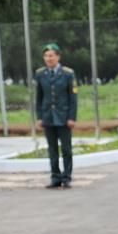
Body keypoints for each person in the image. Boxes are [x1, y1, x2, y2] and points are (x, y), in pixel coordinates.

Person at [34, 42, 78, 189]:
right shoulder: (40, 74)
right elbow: (39, 97)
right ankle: (55, 177)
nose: (48, 59)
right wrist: (39, 117)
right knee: (52, 149)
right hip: (48, 117)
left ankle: (66, 177)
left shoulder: (67, 74)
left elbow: (73, 98)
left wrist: (72, 117)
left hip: (64, 117)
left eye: (51, 56)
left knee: (66, 149)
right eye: (46, 56)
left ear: (58, 57)